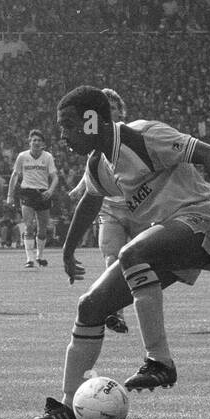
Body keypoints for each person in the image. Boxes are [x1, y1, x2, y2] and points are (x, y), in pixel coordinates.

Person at [29, 86, 210, 419]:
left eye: (68, 124)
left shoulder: (143, 135)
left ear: (92, 121)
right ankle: (69, 405)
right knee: (90, 306)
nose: (62, 135)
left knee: (132, 251)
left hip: (200, 222)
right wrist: (67, 250)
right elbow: (91, 201)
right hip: (166, 234)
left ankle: (160, 361)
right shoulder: (99, 164)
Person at [67, 88, 130, 332]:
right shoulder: (94, 141)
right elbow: (92, 169)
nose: (109, 112)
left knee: (139, 264)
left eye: (113, 107)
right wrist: (80, 187)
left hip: (138, 209)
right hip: (110, 209)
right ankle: (116, 311)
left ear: (120, 112)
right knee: (113, 259)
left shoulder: (131, 135)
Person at [7, 129, 59, 268]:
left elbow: (54, 177)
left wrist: (50, 190)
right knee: (29, 225)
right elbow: (15, 175)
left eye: (39, 140)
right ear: (29, 142)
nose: (36, 142)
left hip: (43, 193)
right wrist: (10, 195)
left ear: (42, 144)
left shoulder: (47, 157)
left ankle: (39, 256)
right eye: (34, 140)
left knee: (42, 229)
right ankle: (29, 259)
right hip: (27, 193)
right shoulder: (22, 156)